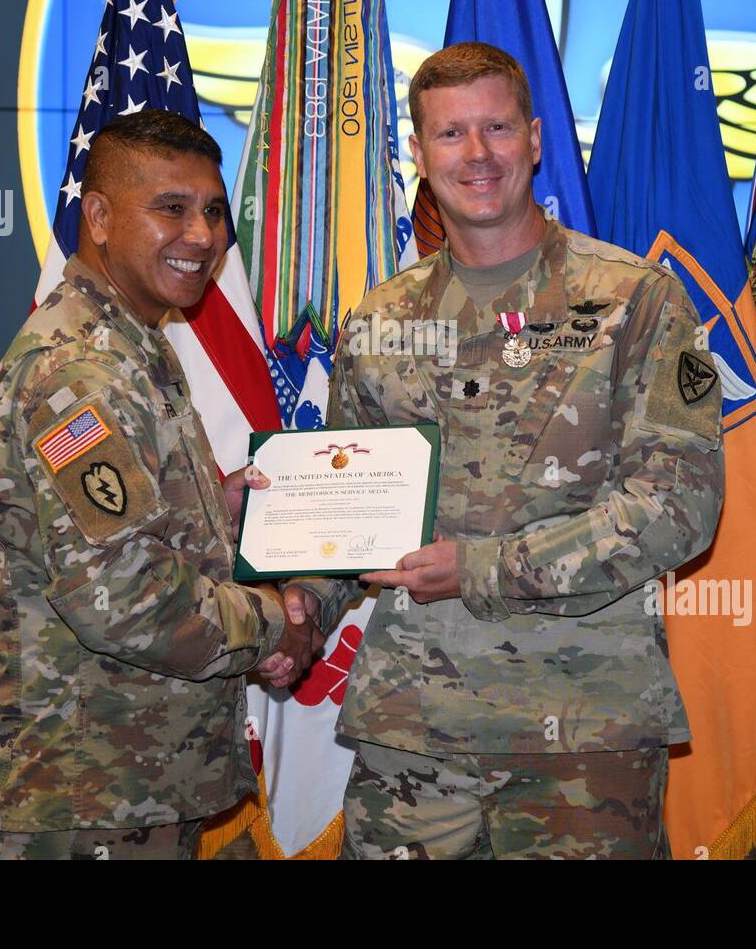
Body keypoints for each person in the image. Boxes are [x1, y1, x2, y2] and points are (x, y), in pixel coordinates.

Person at [295, 42, 726, 859]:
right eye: (451, 134)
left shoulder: (641, 300)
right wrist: (296, 610)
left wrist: (484, 567)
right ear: (418, 156)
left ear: (534, 138)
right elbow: (348, 513)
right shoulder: (379, 318)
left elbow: (680, 507)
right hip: (413, 735)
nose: (478, 153)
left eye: (497, 127)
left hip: (582, 740)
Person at [0, 110, 318, 860]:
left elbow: (125, 523)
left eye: (214, 211)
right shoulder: (78, 371)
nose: (202, 234)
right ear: (97, 215)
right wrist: (271, 625)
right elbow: (123, 598)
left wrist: (220, 510)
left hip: (130, 776)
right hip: (84, 797)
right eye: (172, 209)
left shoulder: (134, 341)